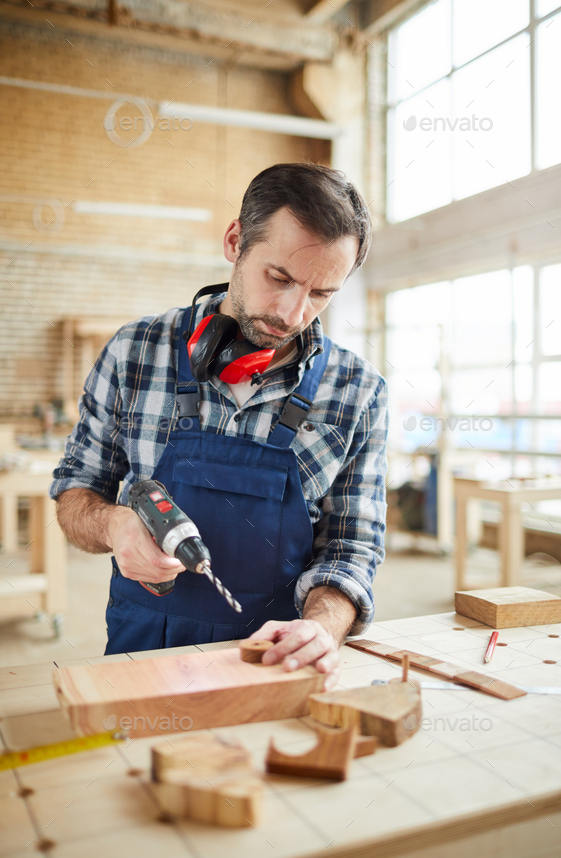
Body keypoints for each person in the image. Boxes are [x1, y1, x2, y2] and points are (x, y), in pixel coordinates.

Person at [49, 163, 388, 690]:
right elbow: (75, 495)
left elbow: (352, 544)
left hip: (273, 665)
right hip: (142, 656)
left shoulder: (357, 392)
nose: (293, 313)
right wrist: (115, 526)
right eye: (279, 278)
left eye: (322, 293)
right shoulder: (134, 352)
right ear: (235, 241)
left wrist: (323, 628)